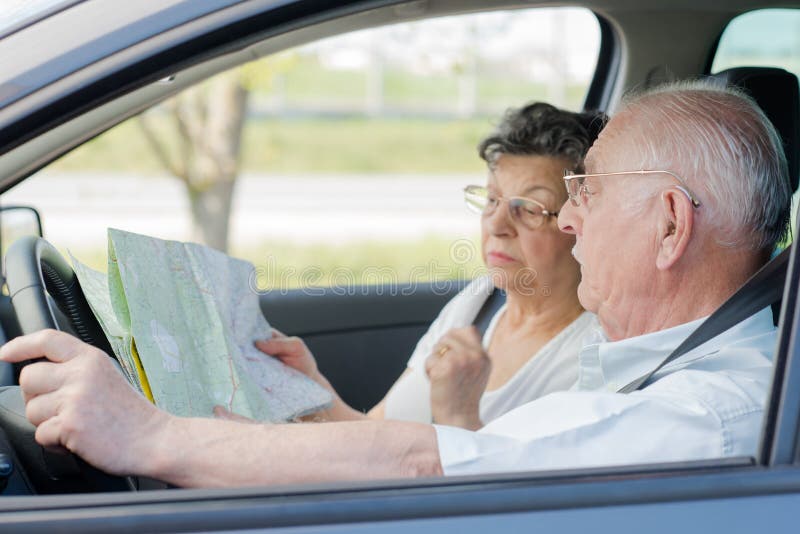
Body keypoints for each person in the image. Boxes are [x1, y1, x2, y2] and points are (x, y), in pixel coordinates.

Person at [1, 79, 791, 487]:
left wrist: (149, 437)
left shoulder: (702, 418)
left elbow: (428, 465)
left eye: (587, 193)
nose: (571, 224)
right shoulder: (671, 369)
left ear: (668, 227)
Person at [263, 103, 605, 430]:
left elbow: (530, 489)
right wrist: (311, 388)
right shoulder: (478, 303)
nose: (496, 224)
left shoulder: (593, 358)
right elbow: (378, 433)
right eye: (491, 200)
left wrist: (459, 419)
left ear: (581, 222)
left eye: (530, 209)